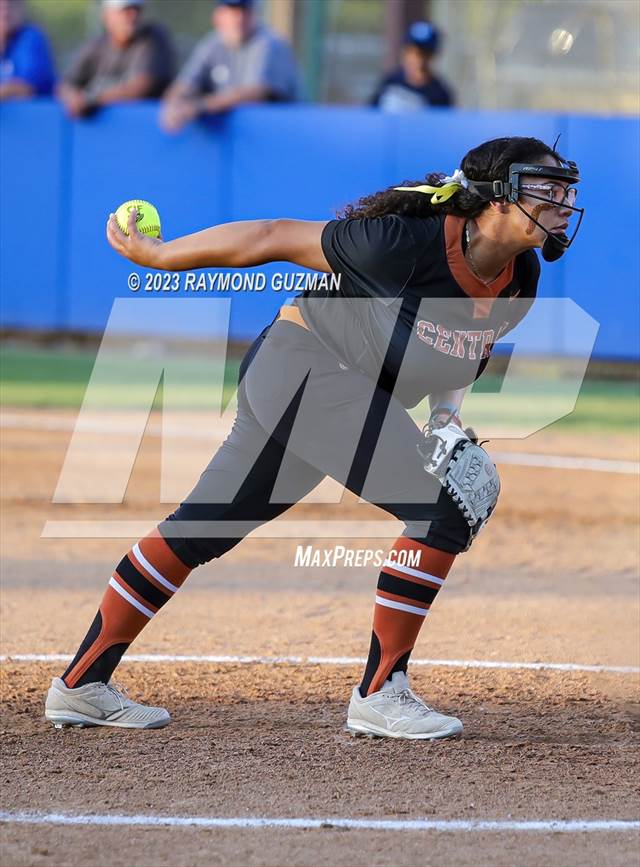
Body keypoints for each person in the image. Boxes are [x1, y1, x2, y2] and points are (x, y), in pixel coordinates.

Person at [44, 136, 582, 738]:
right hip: (303, 367)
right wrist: (160, 255)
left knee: (202, 527)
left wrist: (444, 419)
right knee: (444, 508)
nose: (562, 203)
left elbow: (462, 354)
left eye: (566, 191)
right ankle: (380, 693)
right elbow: (272, 235)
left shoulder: (519, 278)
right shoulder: (402, 244)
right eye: (546, 188)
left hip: (325, 387)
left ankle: (81, 685)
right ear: (494, 197)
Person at [161, 0, 299, 133]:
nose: (239, 19)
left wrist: (200, 106)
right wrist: (175, 103)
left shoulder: (269, 43)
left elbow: (256, 93)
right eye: (232, 12)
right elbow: (185, 84)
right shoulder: (212, 44)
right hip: (244, 139)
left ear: (254, 14)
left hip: (285, 135)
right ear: (218, 16)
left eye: (244, 11)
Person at [58, 0, 174, 119]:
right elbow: (66, 85)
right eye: (126, 10)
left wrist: (91, 99)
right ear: (107, 15)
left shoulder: (153, 39)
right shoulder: (96, 46)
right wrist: (73, 97)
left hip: (143, 125)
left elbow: (141, 86)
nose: (133, 15)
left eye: (137, 9)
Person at [371, 21, 454, 112]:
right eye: (412, 52)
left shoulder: (439, 93)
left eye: (424, 54)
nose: (418, 60)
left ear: (432, 56)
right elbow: (371, 112)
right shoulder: (390, 83)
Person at [0, 0, 55, 100]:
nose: (5, 12)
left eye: (11, 5)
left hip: (36, 108)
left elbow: (27, 86)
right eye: (1, 7)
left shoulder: (30, 38)